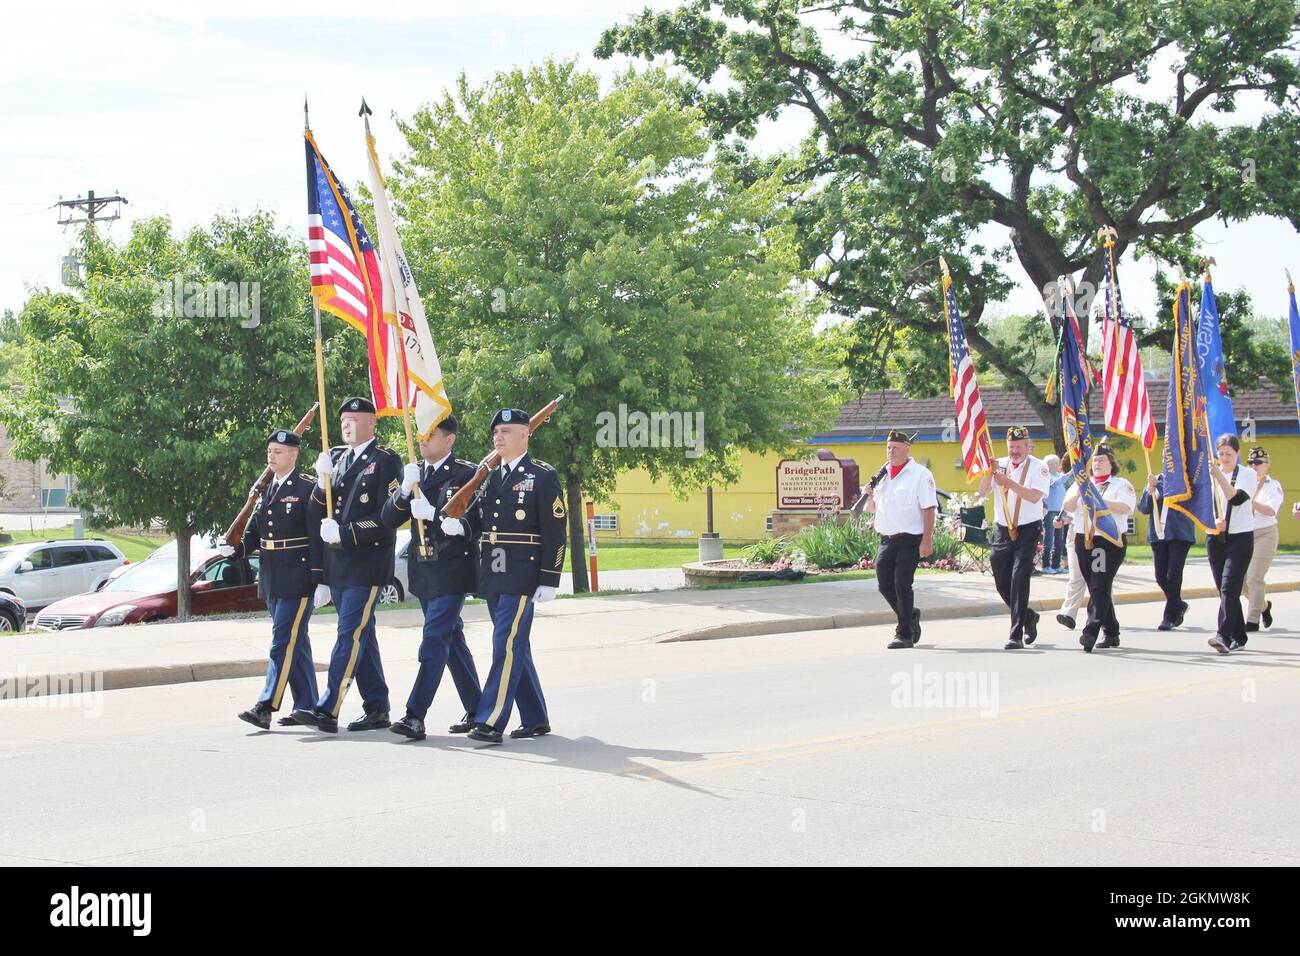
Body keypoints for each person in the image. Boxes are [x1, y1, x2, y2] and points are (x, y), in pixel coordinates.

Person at [440, 408, 567, 744]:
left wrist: (550, 578)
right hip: (494, 572)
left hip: (524, 573)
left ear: (526, 434)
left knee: (504, 645)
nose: (498, 436)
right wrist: (461, 525)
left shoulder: (542, 475)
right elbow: (482, 520)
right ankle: (536, 717)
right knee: (515, 647)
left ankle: (491, 719)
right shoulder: (491, 475)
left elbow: (556, 532)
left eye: (506, 431)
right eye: (496, 431)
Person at [293, 397, 404, 732]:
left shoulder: (385, 460)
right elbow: (316, 511)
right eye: (343, 419)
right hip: (338, 564)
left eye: (353, 419)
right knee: (362, 636)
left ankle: (328, 707)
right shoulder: (337, 459)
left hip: (367, 562)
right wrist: (320, 481)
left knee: (348, 634)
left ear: (371, 422)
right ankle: (377, 708)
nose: (346, 425)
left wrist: (345, 532)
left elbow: (388, 518)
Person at [380, 416, 484, 740]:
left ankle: (415, 714)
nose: (422, 440)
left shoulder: (466, 474)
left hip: (453, 570)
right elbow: (387, 519)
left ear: (449, 439)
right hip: (423, 571)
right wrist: (401, 496)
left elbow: (477, 521)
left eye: (430, 434)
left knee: (434, 638)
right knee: (451, 640)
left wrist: (438, 517)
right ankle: (479, 710)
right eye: (420, 435)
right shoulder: (413, 475)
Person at [228, 429, 328, 729]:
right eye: (269, 451)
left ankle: (265, 704)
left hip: (298, 577)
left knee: (281, 641)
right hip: (272, 575)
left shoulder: (307, 487)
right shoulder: (266, 490)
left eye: (278, 452)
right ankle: (308, 705)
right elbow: (257, 533)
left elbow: (317, 537)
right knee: (295, 642)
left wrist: (322, 579)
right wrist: (237, 549)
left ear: (294, 455)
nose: (271, 457)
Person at [862, 430, 937, 649]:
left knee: (902, 584)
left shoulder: (920, 475)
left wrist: (927, 540)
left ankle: (904, 632)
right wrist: (868, 494)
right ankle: (910, 615)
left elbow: (929, 509)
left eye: (895, 447)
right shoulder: (883, 474)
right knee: (884, 585)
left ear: (907, 448)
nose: (890, 451)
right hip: (886, 539)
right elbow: (873, 508)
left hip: (910, 538)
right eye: (888, 447)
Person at [979, 426, 1051, 649]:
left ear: (1028, 446)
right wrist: (987, 473)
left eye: (1019, 446)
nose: (1014, 451)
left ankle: (1015, 633)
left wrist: (1008, 483)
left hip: (1028, 529)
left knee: (1020, 577)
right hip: (1003, 528)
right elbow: (983, 492)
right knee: (1002, 580)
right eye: (1011, 447)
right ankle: (1028, 616)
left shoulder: (1039, 467)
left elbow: (1033, 496)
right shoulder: (999, 464)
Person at [1060, 445, 1136, 653]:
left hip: (1108, 540)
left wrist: (1098, 500)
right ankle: (1111, 631)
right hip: (1084, 539)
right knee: (1096, 586)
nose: (1097, 464)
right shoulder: (1084, 483)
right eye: (1094, 461)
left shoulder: (1120, 484)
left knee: (1099, 585)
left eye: (1102, 460)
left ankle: (1090, 630)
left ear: (1111, 463)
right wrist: (1081, 490)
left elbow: (1125, 507)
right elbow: (1067, 505)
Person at [1206, 434, 1256, 655]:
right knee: (1224, 589)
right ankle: (1239, 635)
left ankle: (1223, 635)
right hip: (1216, 538)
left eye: (1229, 454)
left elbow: (1235, 498)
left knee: (1229, 585)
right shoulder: (1209, 476)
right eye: (1221, 454)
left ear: (1237, 454)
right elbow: (1203, 505)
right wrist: (1212, 521)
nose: (1224, 458)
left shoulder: (1248, 474)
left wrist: (1219, 476)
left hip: (1240, 537)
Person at [1137, 471, 1195, 630]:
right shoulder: (1155, 480)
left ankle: (1169, 616)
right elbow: (1144, 507)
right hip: (1159, 534)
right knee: (1160, 576)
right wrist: (1150, 490)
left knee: (1173, 575)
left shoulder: (1187, 479)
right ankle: (1178, 604)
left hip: (1180, 533)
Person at [1244, 445, 1282, 633]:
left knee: (1254, 577)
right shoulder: (1242, 483)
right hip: (1244, 534)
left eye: (1258, 463)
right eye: (1250, 462)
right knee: (1240, 581)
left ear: (1267, 465)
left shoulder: (1272, 485)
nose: (1254, 466)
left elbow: (1270, 510)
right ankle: (1264, 606)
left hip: (1265, 533)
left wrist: (1250, 501)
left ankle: (1252, 621)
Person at [1041, 454, 1072, 574]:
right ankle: (1045, 565)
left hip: (1060, 511)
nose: (1055, 465)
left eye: (1055, 463)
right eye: (1053, 463)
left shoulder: (1059, 475)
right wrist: (1069, 473)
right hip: (1050, 511)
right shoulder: (1046, 476)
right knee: (1049, 539)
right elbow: (1056, 483)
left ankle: (1056, 564)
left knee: (1059, 539)